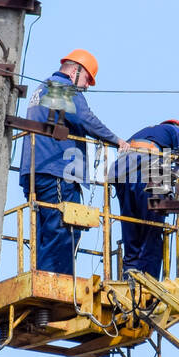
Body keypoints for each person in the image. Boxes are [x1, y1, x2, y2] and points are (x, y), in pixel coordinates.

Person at [20, 49, 127, 274]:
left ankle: (42, 275)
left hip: (36, 170)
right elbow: (86, 119)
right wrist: (117, 141)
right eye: (88, 79)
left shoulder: (42, 88)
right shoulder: (62, 88)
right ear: (76, 70)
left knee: (44, 230)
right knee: (64, 228)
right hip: (59, 171)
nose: (87, 86)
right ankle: (55, 281)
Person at [110, 120, 179, 280]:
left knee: (131, 231)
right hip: (151, 166)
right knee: (152, 232)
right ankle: (147, 287)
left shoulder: (146, 132)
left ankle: (128, 279)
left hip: (120, 170)